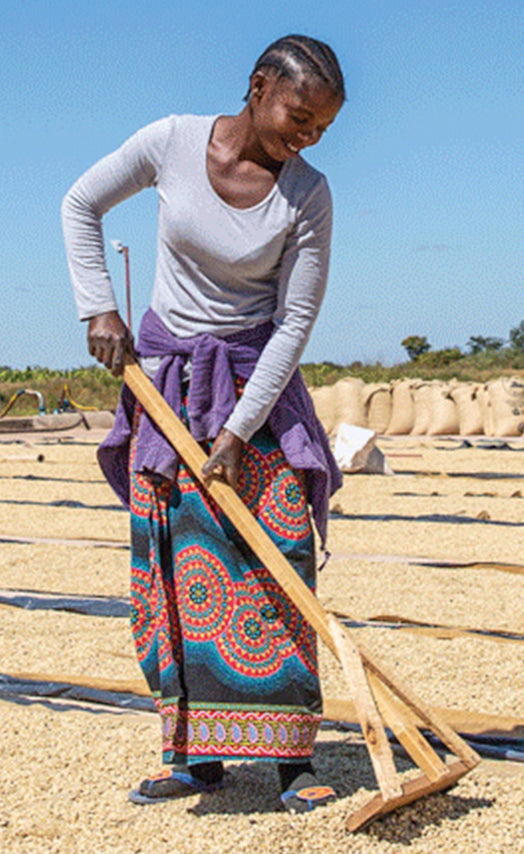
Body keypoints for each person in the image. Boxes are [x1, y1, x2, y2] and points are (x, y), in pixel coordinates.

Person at [62, 35, 346, 810]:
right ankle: (193, 758)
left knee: (276, 563)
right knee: (176, 568)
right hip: (166, 390)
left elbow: (293, 322)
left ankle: (292, 763)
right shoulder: (173, 143)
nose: (307, 136)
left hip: (256, 392)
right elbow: (80, 203)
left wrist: (237, 431)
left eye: (321, 127)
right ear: (258, 87)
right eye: (299, 117)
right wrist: (99, 308)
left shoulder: (308, 195)